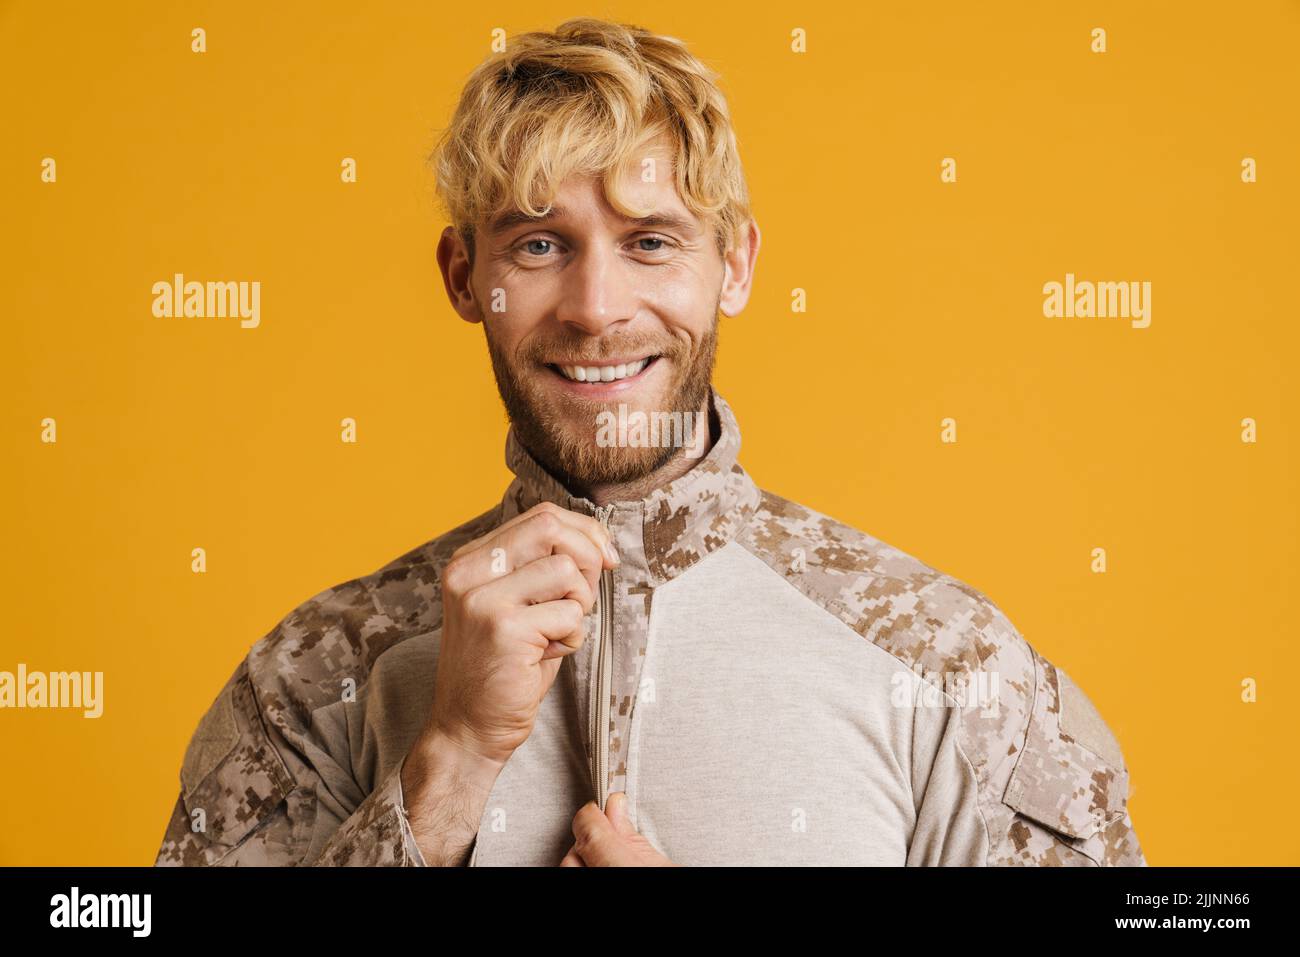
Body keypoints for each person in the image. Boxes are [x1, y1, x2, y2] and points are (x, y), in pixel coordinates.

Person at [156, 17, 1145, 867]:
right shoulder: (314, 678)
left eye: (651, 243)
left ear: (736, 265)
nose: (595, 311)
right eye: (538, 246)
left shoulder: (949, 663)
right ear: (464, 276)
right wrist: (444, 768)